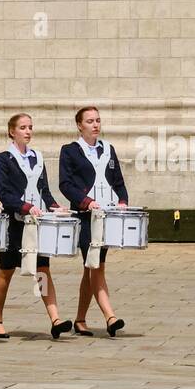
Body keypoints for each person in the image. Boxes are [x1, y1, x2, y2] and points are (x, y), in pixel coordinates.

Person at [0, 112, 73, 339]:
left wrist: (55, 206)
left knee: (43, 270)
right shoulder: (2, 158)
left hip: (37, 224)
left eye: (30, 127)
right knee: (6, 271)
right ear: (12, 131)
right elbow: (5, 194)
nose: (28, 131)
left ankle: (55, 318)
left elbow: (44, 190)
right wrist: (26, 207)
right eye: (23, 127)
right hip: (15, 224)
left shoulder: (37, 156)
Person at [58, 106, 128, 337]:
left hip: (108, 215)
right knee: (96, 266)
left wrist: (123, 201)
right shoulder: (70, 151)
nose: (95, 124)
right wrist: (86, 201)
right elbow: (65, 184)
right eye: (90, 121)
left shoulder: (109, 149)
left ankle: (80, 319)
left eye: (97, 120)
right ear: (80, 125)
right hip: (87, 217)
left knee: (91, 267)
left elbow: (118, 180)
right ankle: (110, 316)